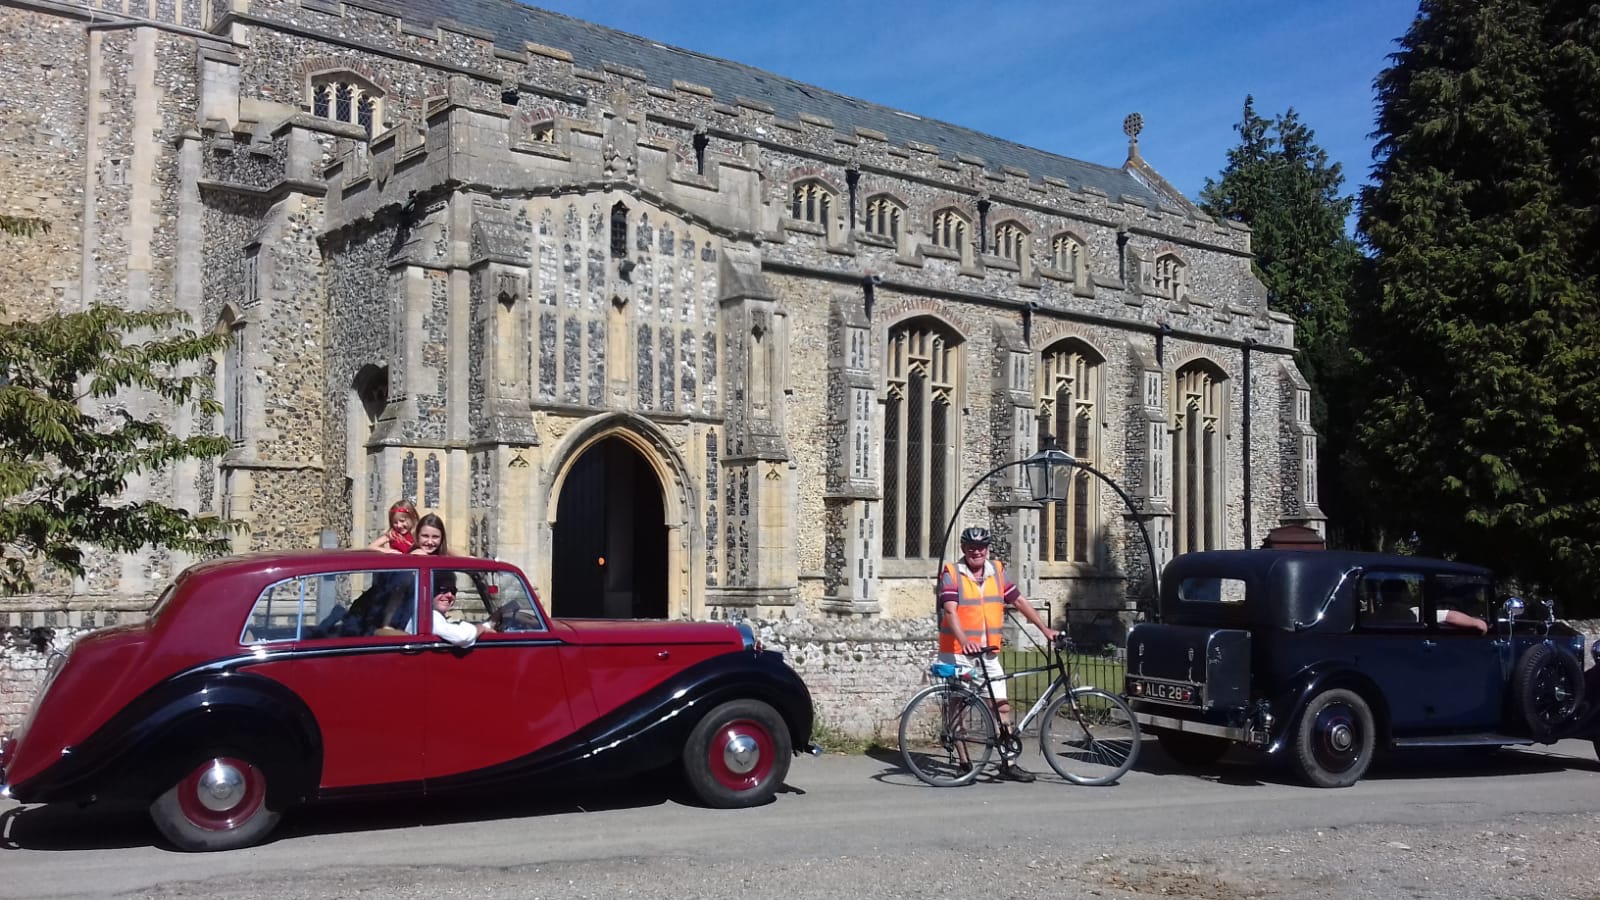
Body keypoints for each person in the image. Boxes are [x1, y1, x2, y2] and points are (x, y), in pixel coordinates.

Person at [937, 526, 1058, 783]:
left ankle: (1008, 762)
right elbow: (950, 611)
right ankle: (964, 763)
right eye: (971, 547)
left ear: (988, 548)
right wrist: (964, 640)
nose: (976, 551)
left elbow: (1019, 601)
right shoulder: (952, 574)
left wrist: (1045, 629)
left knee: (1001, 706)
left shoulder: (997, 572)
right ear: (963, 549)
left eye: (981, 547)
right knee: (958, 706)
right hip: (959, 652)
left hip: (988, 653)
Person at [429, 571, 494, 648]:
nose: (449, 595)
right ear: (430, 590)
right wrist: (482, 628)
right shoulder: (429, 617)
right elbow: (461, 636)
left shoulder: (435, 616)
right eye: (443, 590)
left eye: (453, 591)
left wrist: (490, 623)